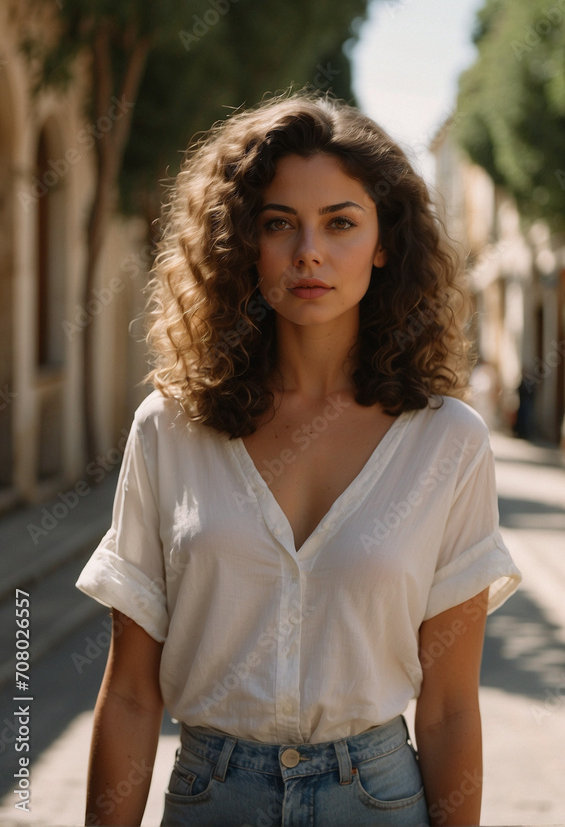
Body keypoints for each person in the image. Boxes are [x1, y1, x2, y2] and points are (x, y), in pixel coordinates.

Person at [76, 91, 521, 827]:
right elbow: (128, 693)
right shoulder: (169, 431)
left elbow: (446, 709)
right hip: (211, 798)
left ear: (383, 241)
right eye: (279, 224)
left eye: (340, 223)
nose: (308, 252)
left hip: (378, 799)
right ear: (241, 241)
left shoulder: (449, 442)